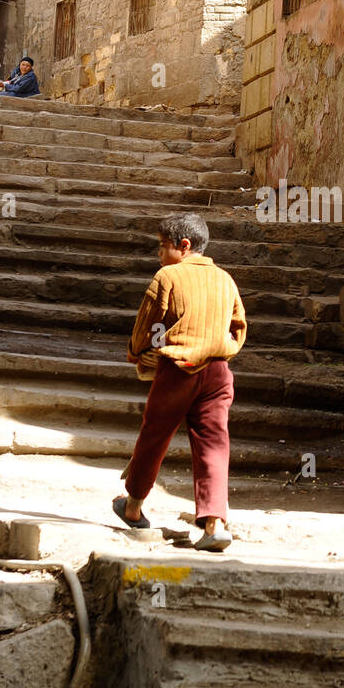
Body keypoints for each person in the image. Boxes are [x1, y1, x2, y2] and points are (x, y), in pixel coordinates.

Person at [113, 212, 247, 552]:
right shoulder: (226, 280)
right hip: (217, 372)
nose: (159, 254)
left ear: (183, 246)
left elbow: (148, 322)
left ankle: (133, 507)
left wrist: (138, 352)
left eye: (162, 247)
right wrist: (223, 350)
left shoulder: (167, 276)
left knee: (154, 435)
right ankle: (214, 524)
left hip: (177, 369)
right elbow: (239, 326)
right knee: (214, 444)